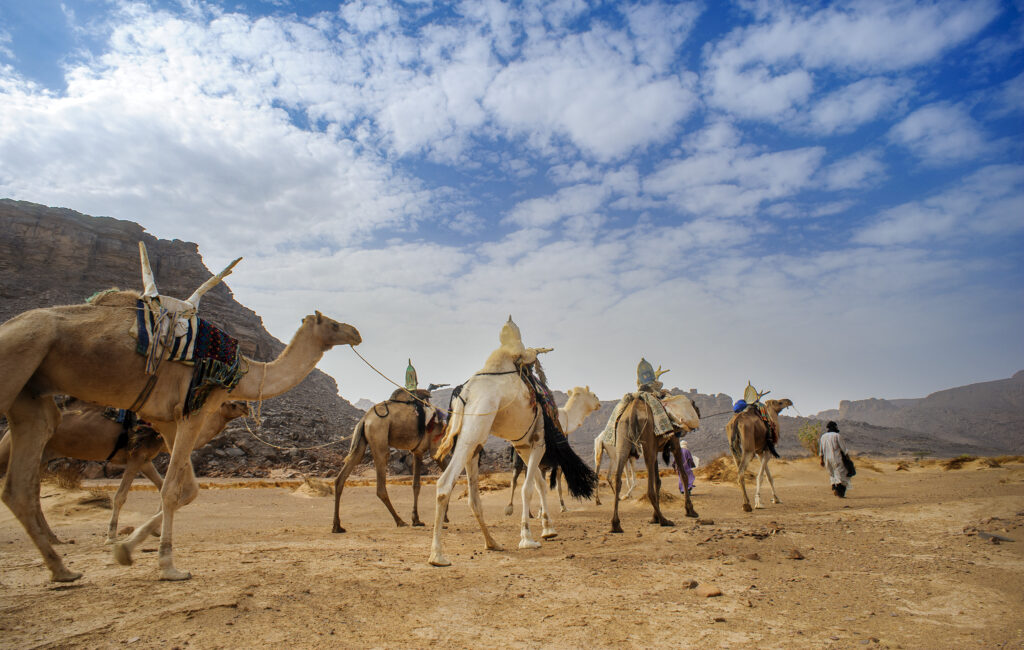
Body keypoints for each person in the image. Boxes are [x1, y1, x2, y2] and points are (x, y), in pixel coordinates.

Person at [819, 421, 851, 497]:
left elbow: (821, 450)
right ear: (834, 427)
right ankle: (840, 493)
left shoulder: (823, 437)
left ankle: (834, 487)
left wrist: (821, 460)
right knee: (841, 475)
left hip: (827, 459)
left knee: (832, 474)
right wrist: (848, 459)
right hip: (837, 458)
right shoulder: (837, 436)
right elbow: (844, 449)